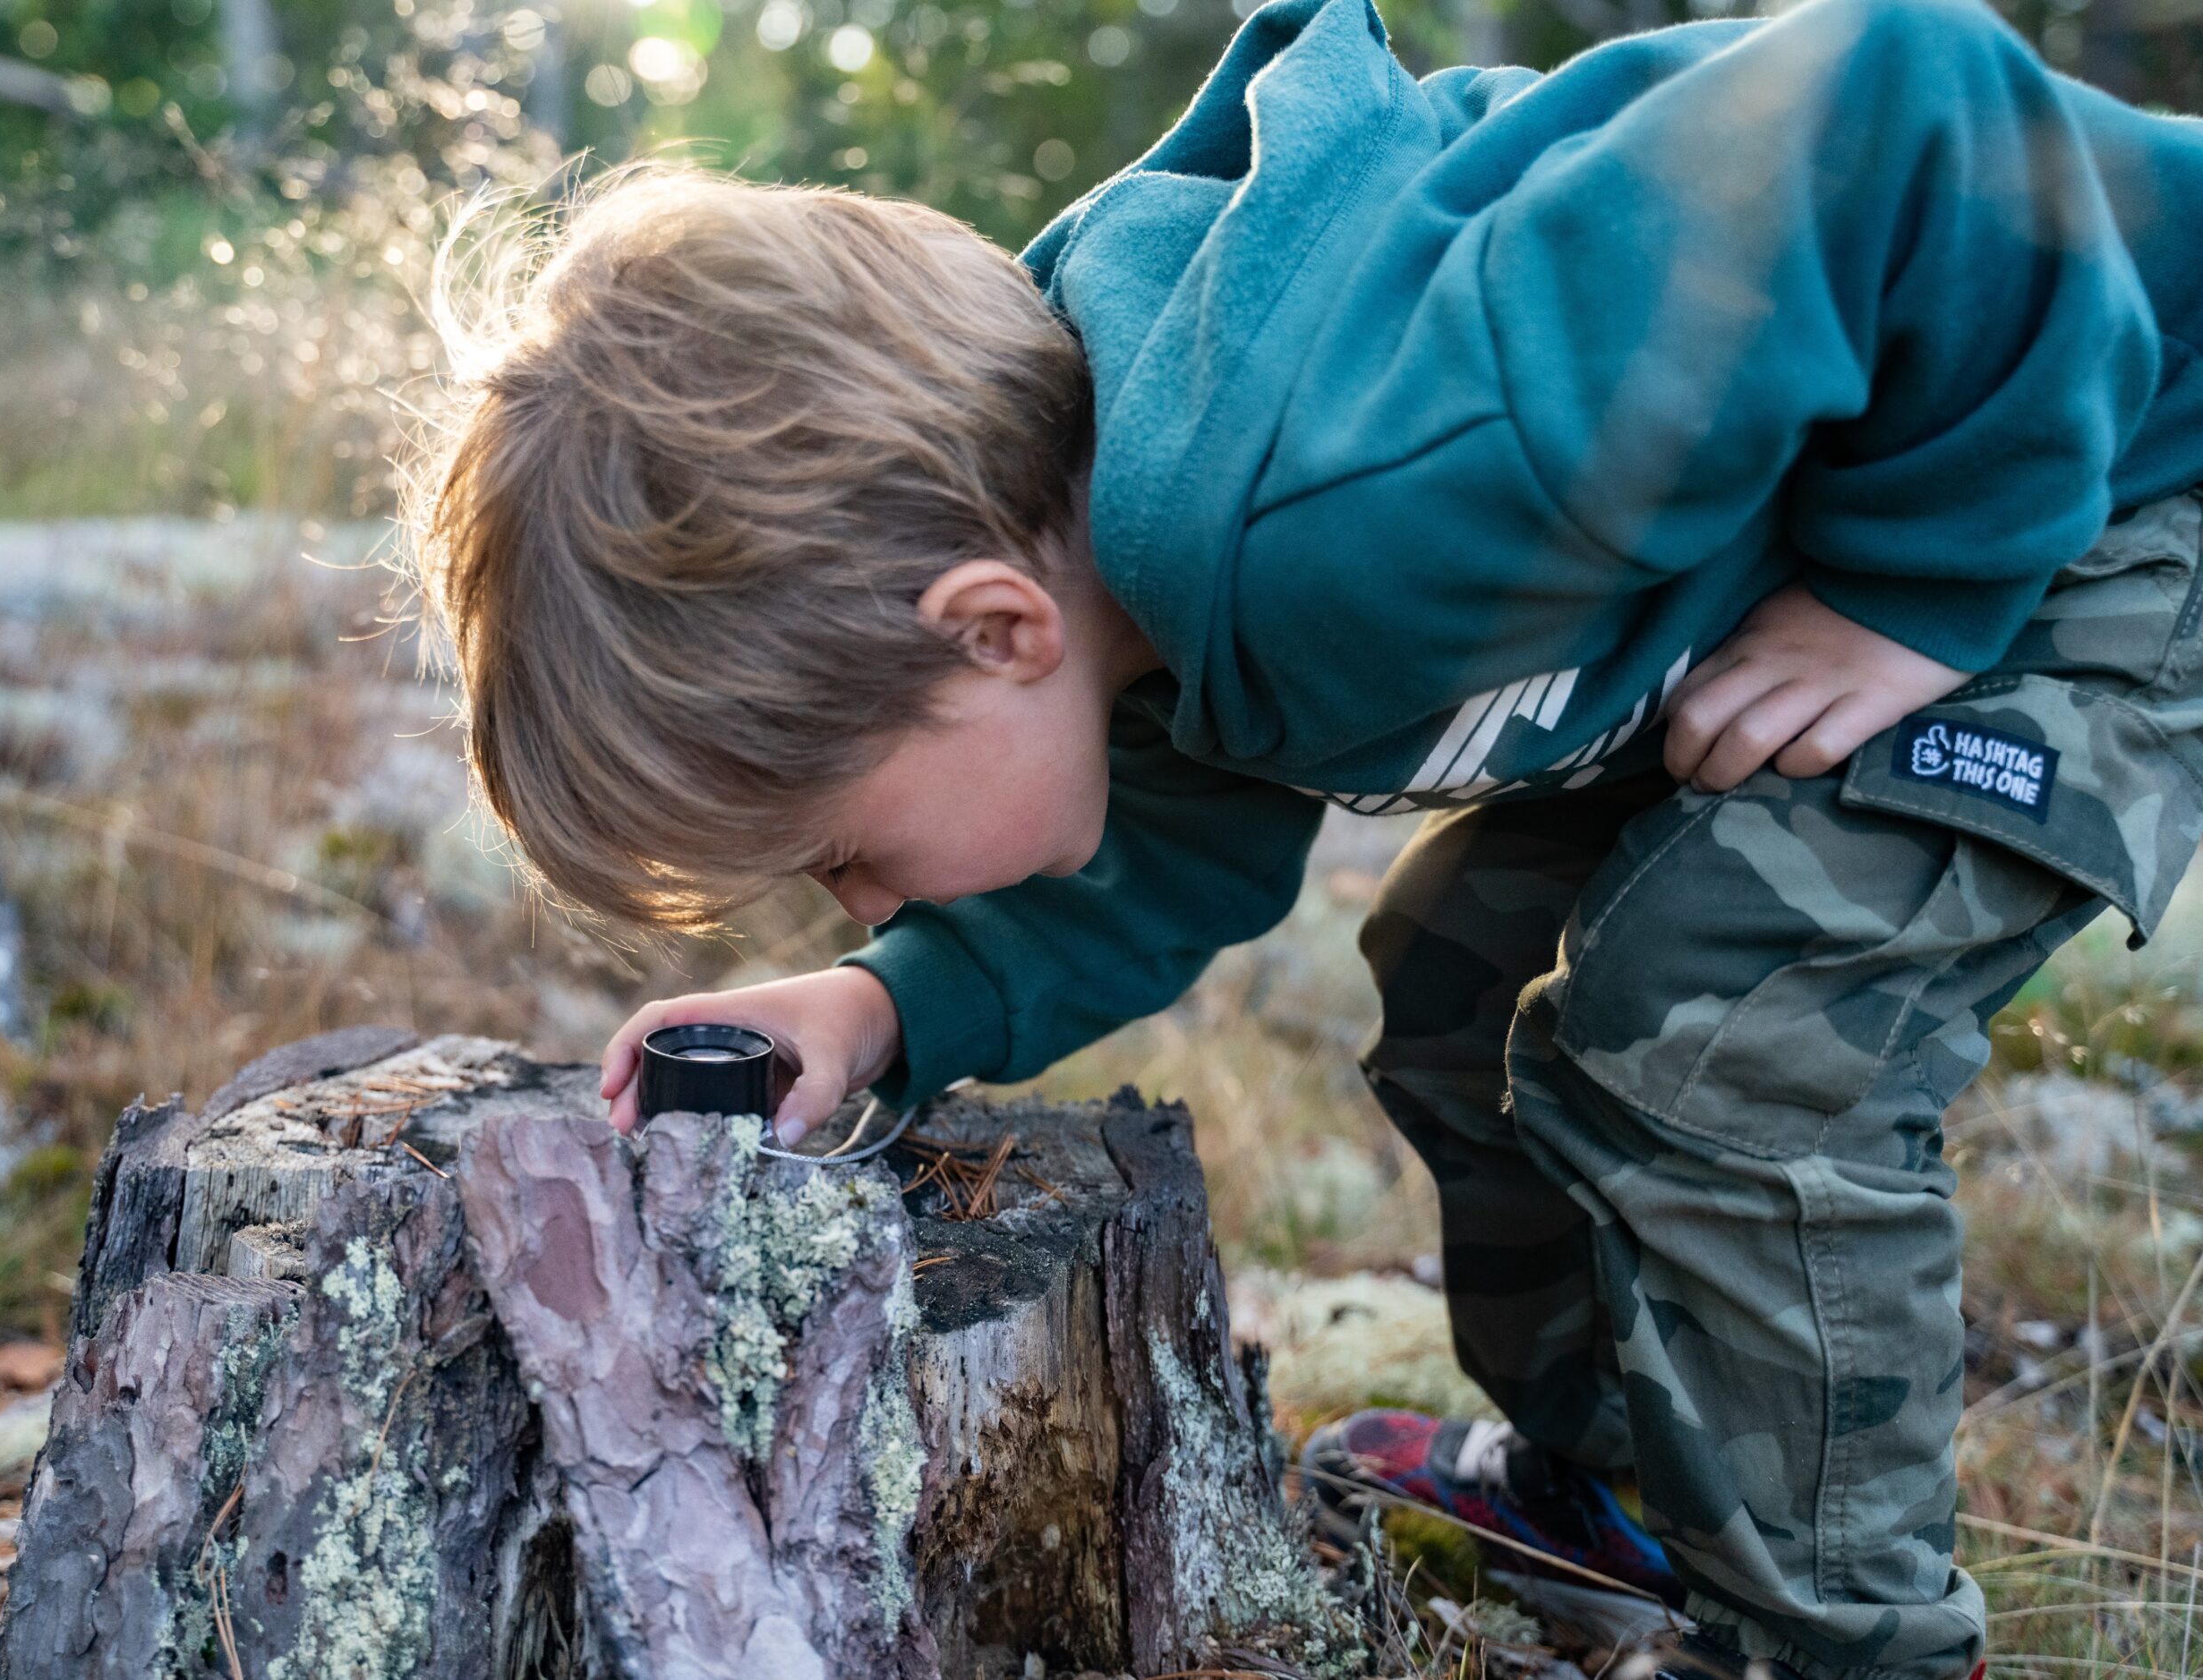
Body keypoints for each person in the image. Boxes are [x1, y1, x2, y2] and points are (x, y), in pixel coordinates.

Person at [404, 0, 2203, 1671]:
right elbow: (1161, 847)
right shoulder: (1117, 568)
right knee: (1451, 978)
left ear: (990, 632)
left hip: (2103, 479)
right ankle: (1635, 1491)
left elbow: (1900, 96)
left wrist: (1914, 581)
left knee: (1725, 1035)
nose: (854, 890)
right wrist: (883, 1003)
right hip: (1907, 514)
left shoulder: (1362, 499)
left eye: (845, 854)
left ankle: (1842, 1643)